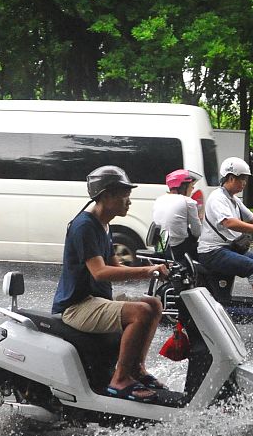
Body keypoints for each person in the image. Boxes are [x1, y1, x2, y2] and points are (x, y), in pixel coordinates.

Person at [51, 165, 170, 403]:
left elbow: (116, 266)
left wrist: (151, 270)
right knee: (140, 312)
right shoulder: (84, 226)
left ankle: (137, 369)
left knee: (154, 304)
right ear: (106, 195)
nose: (129, 201)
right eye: (124, 195)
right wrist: (148, 271)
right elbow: (100, 272)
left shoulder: (104, 225)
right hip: (76, 306)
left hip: (96, 300)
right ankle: (120, 380)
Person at [197, 157, 253, 316]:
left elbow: (251, 217)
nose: (245, 183)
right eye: (242, 179)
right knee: (252, 267)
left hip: (226, 248)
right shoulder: (218, 198)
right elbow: (229, 223)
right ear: (231, 178)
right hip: (212, 252)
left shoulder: (232, 199)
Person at [152, 169, 203, 262]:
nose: (193, 189)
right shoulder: (188, 201)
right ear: (183, 186)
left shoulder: (159, 200)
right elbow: (197, 232)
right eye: (191, 186)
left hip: (160, 246)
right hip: (179, 249)